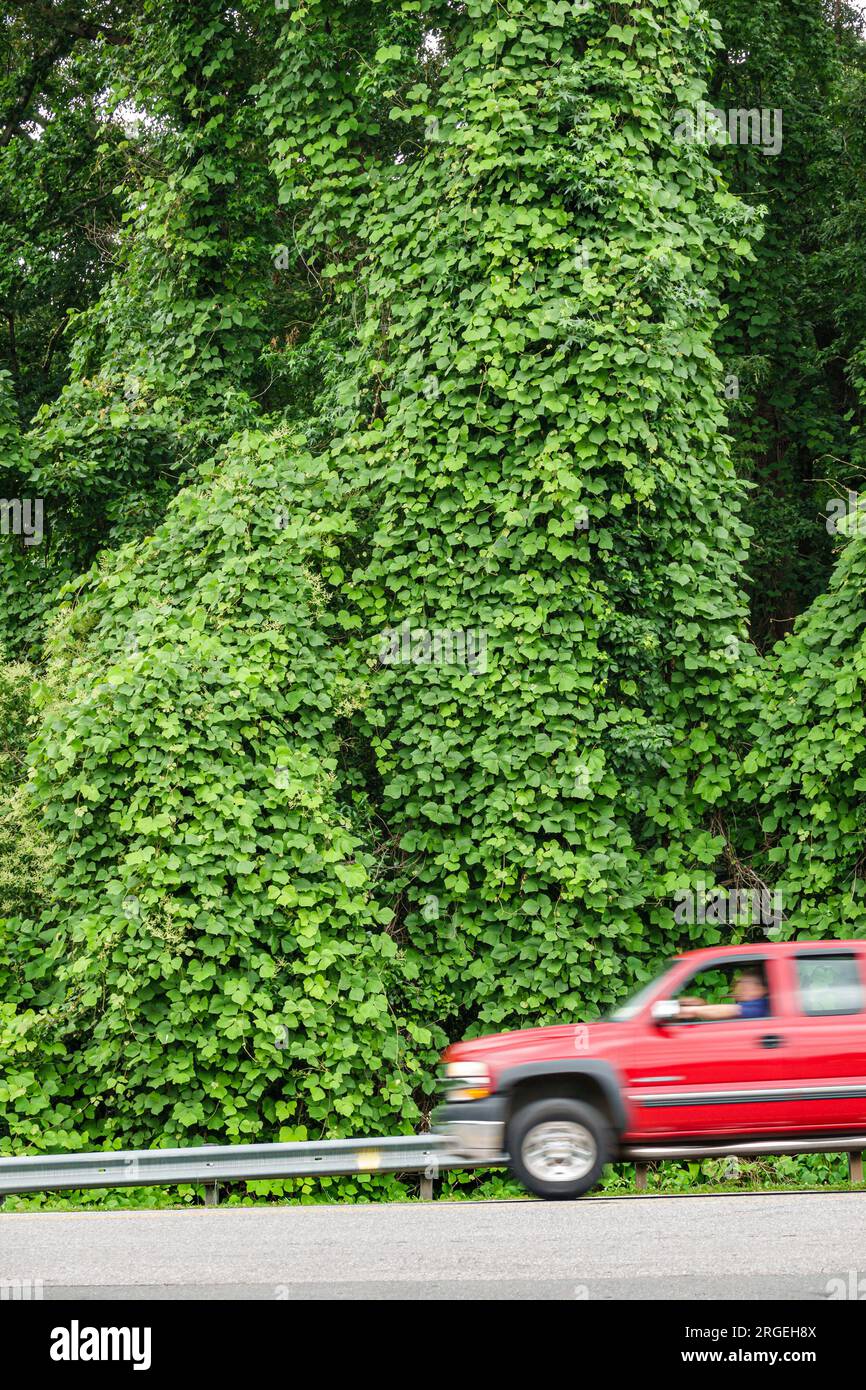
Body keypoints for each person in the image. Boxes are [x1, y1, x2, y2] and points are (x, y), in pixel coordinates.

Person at [677, 967, 770, 1022]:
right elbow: (722, 1014)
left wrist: (690, 1010)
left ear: (762, 989)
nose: (739, 987)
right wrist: (702, 1005)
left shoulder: (759, 1005)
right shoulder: (748, 1006)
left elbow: (729, 1010)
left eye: (746, 983)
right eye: (740, 982)